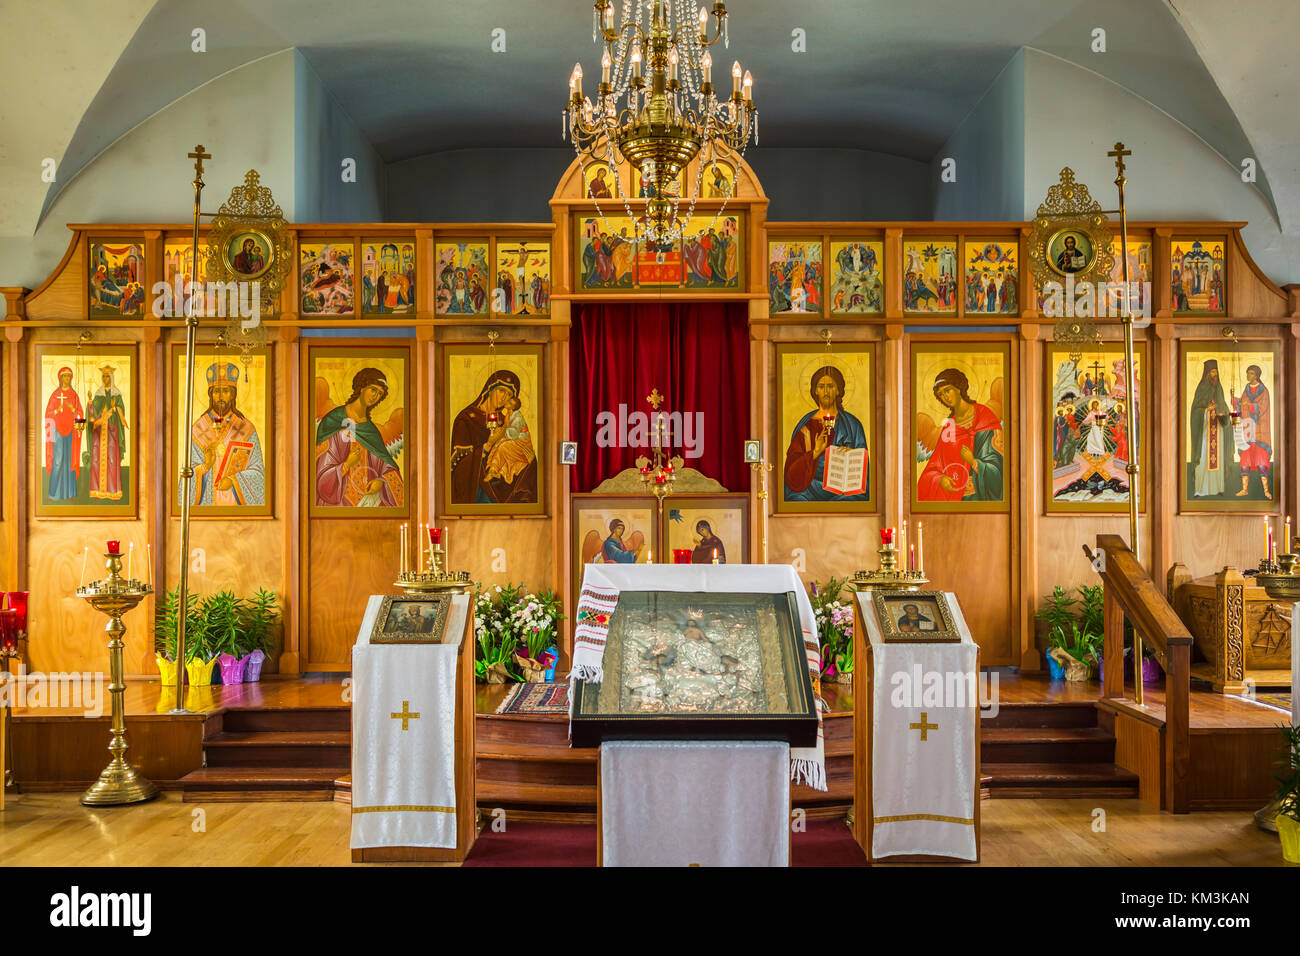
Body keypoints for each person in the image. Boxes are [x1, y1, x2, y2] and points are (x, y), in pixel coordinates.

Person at [314, 368, 403, 507]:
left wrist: (381, 481)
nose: (375, 396)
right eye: (373, 390)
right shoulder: (334, 420)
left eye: (379, 393)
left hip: (367, 502)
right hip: (337, 503)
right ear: (362, 387)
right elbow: (321, 474)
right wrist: (346, 465)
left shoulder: (371, 431)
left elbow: (386, 467)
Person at [449, 370, 537, 504]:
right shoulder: (466, 419)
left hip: (505, 482)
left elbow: (518, 443)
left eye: (509, 395)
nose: (504, 397)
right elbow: (458, 464)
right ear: (489, 389)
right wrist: (487, 446)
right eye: (501, 391)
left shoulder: (507, 420)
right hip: (479, 487)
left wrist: (529, 459)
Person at [783, 365, 869, 501]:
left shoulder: (853, 425)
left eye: (830, 386)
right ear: (815, 391)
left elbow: (864, 469)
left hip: (843, 491)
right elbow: (791, 473)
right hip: (809, 489)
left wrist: (852, 455)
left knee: (851, 501)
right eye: (821, 387)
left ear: (838, 390)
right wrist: (815, 453)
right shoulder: (806, 426)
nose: (826, 391)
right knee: (797, 501)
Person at [917, 368, 1004, 502]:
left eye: (947, 390)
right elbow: (935, 466)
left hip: (980, 497)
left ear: (958, 388)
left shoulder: (984, 417)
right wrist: (940, 479)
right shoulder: (949, 427)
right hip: (955, 495)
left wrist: (973, 461)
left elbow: (998, 467)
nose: (945, 397)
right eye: (941, 394)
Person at [188, 362, 265, 507]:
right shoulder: (198, 429)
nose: (221, 396)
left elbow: (258, 472)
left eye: (225, 391)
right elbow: (187, 474)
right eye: (216, 391)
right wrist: (205, 467)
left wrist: (233, 480)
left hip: (236, 505)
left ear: (233, 394)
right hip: (207, 504)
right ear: (211, 394)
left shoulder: (246, 428)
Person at [1189, 359, 1232, 497]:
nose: (1215, 374)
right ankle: (1200, 490)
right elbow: (1195, 410)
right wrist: (1206, 410)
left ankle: (1217, 488)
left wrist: (1223, 413)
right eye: (1213, 371)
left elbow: (1223, 406)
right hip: (1204, 430)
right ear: (1207, 373)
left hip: (1218, 431)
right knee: (1203, 458)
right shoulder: (1201, 388)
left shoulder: (1219, 388)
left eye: (1216, 371)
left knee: (1218, 458)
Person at [88, 365, 128, 501]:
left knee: (112, 460)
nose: (105, 379)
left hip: (112, 430)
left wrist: (115, 409)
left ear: (111, 378)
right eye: (103, 376)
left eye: (107, 376)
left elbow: (121, 410)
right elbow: (93, 413)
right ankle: (97, 491)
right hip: (99, 432)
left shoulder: (116, 394)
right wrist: (90, 402)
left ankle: (113, 491)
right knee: (96, 460)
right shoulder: (98, 394)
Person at [44, 366, 83, 501]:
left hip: (71, 430)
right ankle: (52, 493)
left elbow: (80, 414)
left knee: (69, 460)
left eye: (68, 376)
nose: (67, 378)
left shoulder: (74, 395)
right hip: (58, 431)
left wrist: (73, 410)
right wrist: (56, 410)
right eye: (64, 376)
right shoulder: (55, 395)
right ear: (60, 378)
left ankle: (69, 494)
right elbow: (48, 414)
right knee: (58, 460)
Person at [1234, 364, 1272, 498]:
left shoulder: (1264, 391)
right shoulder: (1246, 390)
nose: (1248, 375)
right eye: (1247, 373)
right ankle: (1245, 489)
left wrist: (1249, 405)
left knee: (1261, 464)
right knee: (1245, 464)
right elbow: (1241, 405)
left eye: (1250, 373)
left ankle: (1266, 491)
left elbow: (1262, 407)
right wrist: (1236, 401)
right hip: (1248, 432)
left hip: (1260, 431)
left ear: (1256, 375)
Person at [483, 394, 535, 486]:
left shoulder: (518, 417)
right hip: (514, 439)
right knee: (497, 445)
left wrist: (503, 430)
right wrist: (501, 428)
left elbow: (514, 433)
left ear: (513, 407)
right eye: (509, 401)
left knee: (503, 447)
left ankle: (494, 471)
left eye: (510, 403)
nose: (507, 402)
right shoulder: (508, 414)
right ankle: (493, 470)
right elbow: (506, 427)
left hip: (522, 442)